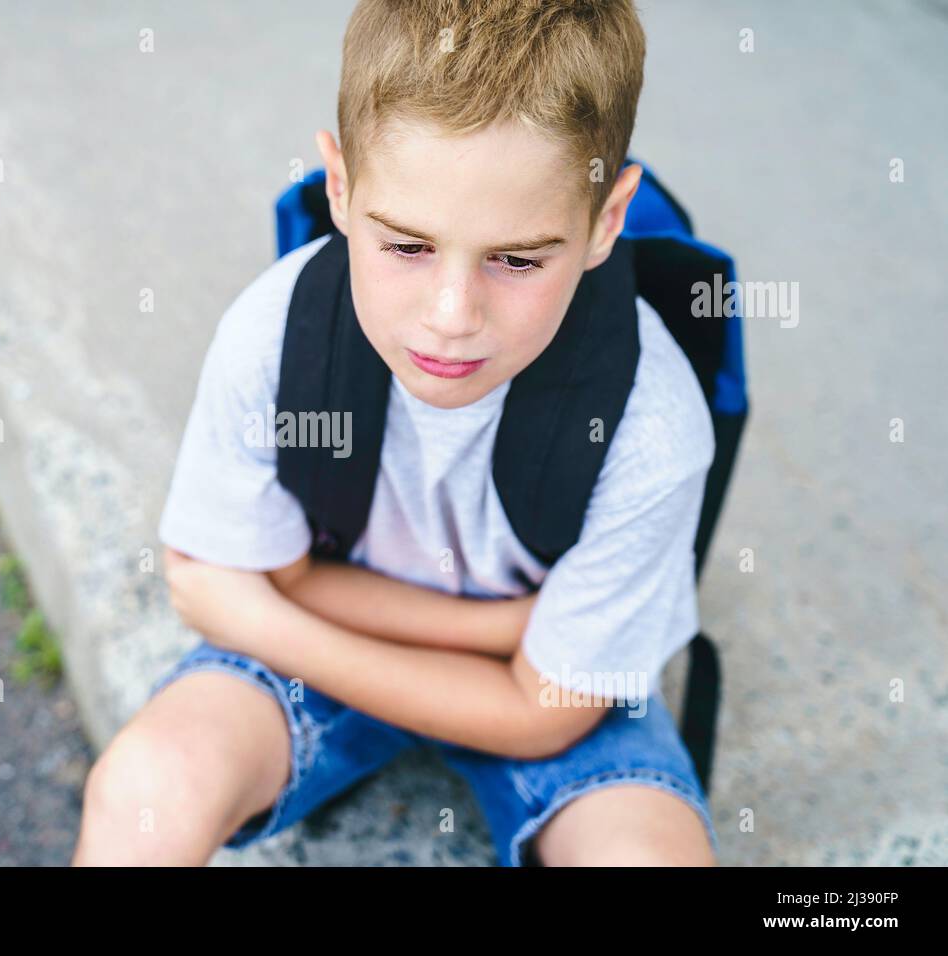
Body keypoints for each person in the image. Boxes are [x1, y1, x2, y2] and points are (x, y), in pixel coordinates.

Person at [73, 0, 719, 867]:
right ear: (339, 186)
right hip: (478, 649)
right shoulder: (277, 336)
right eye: (408, 247)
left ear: (606, 220)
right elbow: (251, 577)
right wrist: (508, 629)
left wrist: (266, 617)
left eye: (518, 259)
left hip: (540, 685)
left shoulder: (650, 419)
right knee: (145, 788)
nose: (452, 317)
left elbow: (543, 712)